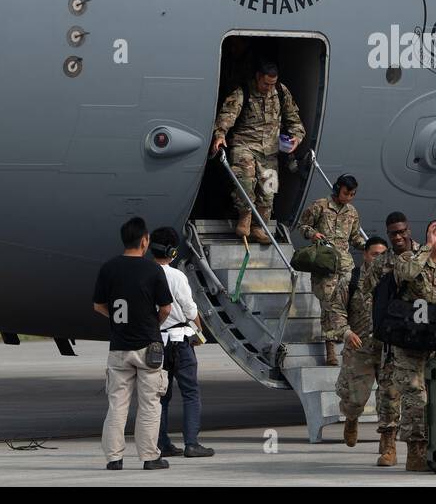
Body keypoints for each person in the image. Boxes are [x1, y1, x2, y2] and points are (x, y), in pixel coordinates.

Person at [92, 216, 172, 470]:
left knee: (117, 403)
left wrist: (117, 322)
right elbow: (166, 309)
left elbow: (98, 305)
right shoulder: (153, 270)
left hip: (118, 347)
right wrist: (152, 322)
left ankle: (114, 458)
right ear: (145, 240)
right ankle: (149, 456)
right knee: (150, 403)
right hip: (148, 346)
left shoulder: (108, 268)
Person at [209, 59, 305, 244]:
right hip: (244, 144)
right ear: (258, 77)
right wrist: (220, 135)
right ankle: (245, 216)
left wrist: (297, 136)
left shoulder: (281, 93)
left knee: (269, 190)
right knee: (245, 180)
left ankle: (259, 227)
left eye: (272, 84)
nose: (269, 88)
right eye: (266, 83)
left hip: (270, 150)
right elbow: (227, 116)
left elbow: (294, 118)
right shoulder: (243, 92)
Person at [392, 219, 436, 471]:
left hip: (432, 342)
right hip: (408, 341)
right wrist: (425, 250)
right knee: (414, 396)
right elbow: (407, 274)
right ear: (431, 233)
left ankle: (434, 447)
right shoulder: (408, 257)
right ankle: (415, 452)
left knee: (435, 398)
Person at [149, 227, 214, 459]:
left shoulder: (145, 273)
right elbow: (190, 309)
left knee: (160, 395)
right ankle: (191, 443)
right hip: (181, 341)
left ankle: (162, 442)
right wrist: (199, 331)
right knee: (190, 393)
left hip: (157, 342)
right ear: (172, 250)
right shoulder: (177, 276)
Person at [335, 236, 399, 447]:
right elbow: (335, 310)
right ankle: (351, 419)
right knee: (355, 399)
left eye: (382, 255)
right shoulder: (351, 280)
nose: (378, 259)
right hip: (359, 347)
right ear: (365, 255)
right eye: (374, 255)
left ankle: (387, 443)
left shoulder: (393, 280)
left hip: (386, 347)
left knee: (389, 397)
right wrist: (346, 332)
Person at [297, 174, 367, 367]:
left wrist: (369, 247)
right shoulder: (320, 205)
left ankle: (347, 342)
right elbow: (302, 226)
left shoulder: (352, 212)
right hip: (325, 264)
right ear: (338, 189)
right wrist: (313, 234)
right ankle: (330, 350)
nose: (349, 197)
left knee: (349, 301)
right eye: (346, 193)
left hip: (345, 265)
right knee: (329, 305)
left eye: (353, 194)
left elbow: (354, 238)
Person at [372, 211, 417, 467]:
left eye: (402, 232)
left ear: (408, 230)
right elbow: (369, 296)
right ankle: (388, 445)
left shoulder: (425, 256)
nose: (398, 237)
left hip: (419, 336)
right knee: (388, 392)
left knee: (417, 394)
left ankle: (417, 447)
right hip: (391, 337)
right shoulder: (381, 263)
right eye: (393, 234)